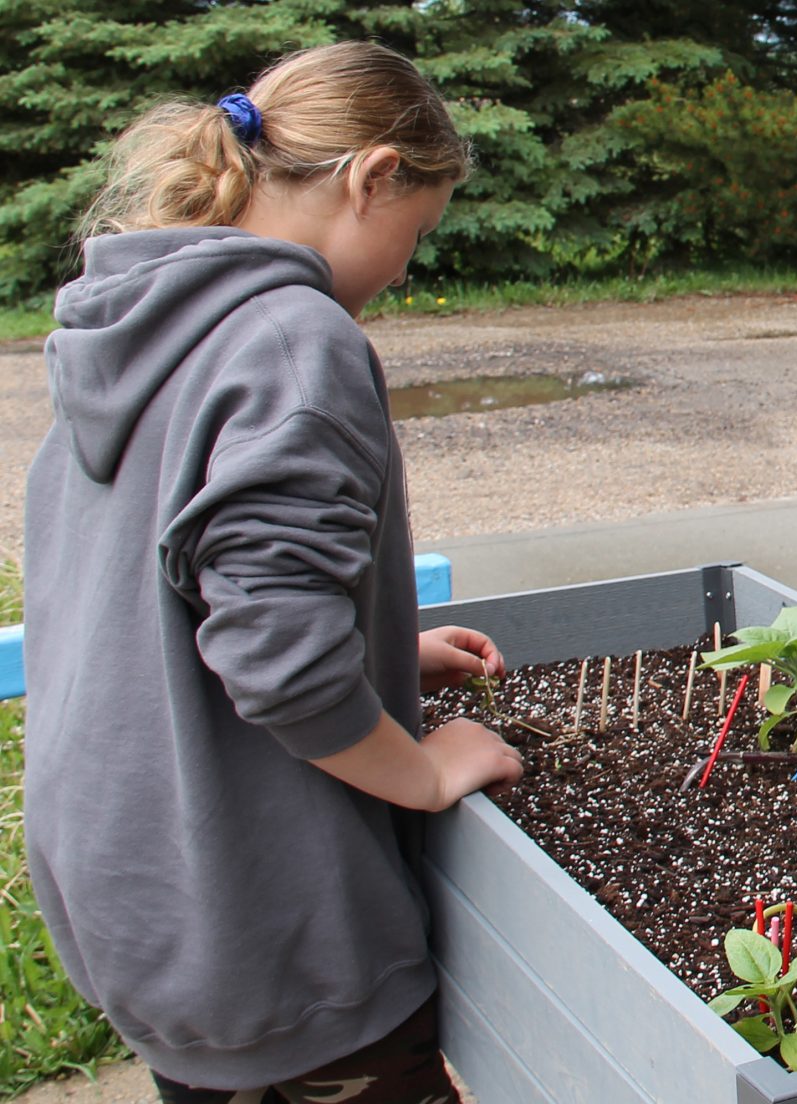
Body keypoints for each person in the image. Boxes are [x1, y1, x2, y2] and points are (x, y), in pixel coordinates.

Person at [22, 41, 526, 1101]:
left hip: (142, 892)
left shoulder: (131, 319)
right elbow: (278, 660)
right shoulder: (296, 340)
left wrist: (382, 650)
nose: (403, 269)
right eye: (416, 232)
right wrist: (425, 769)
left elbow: (167, 584)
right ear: (372, 177)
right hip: (271, 920)